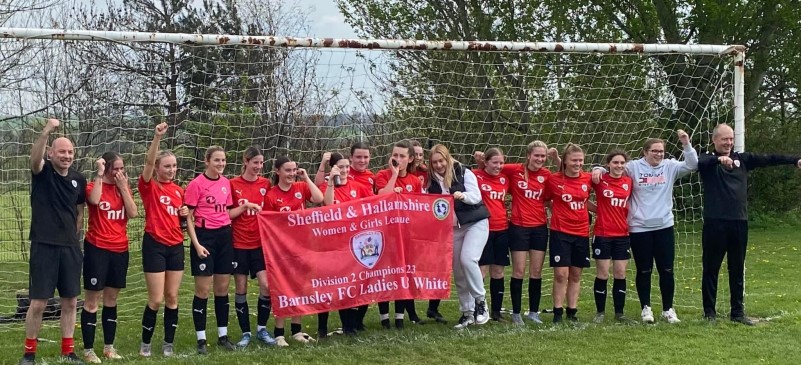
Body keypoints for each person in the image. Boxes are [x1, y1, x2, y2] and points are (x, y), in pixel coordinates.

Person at [697, 123, 801, 324]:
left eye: (731, 139)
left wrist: (795, 159)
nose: (728, 142)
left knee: (737, 268)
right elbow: (701, 161)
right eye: (724, 139)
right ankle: (709, 312)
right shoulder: (708, 161)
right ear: (714, 140)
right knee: (711, 268)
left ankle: (737, 313)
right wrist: (719, 160)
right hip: (715, 223)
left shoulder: (742, 160)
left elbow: (770, 158)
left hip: (739, 222)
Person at [592, 129, 695, 324]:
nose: (658, 154)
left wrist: (686, 144)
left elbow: (692, 164)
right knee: (644, 270)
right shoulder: (633, 167)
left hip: (664, 225)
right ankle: (646, 308)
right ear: (645, 152)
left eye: (661, 151)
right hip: (639, 228)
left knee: (666, 270)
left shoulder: (670, 167)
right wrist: (598, 168)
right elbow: (614, 167)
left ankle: (668, 309)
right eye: (654, 151)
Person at [20, 118, 87, 365]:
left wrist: (74, 235)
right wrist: (47, 131)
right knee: (38, 302)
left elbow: (80, 211)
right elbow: (33, 159)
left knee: (70, 300)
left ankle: (68, 350)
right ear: (51, 153)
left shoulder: (78, 179)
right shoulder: (42, 172)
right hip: (44, 245)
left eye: (70, 152)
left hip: (70, 247)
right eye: (62, 151)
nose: (66, 156)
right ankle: (29, 353)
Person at [80, 152, 138, 363]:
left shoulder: (123, 188)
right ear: (107, 168)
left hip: (120, 249)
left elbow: (133, 213)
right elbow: (94, 200)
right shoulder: (94, 185)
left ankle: (108, 347)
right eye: (116, 168)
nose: (120, 172)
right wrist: (99, 174)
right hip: (97, 248)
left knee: (111, 300)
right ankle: (88, 350)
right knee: (92, 300)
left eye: (122, 168)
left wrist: (123, 188)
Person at [137, 123, 188, 358]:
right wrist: (157, 137)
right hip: (155, 245)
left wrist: (186, 216)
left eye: (174, 166)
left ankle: (168, 344)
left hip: (176, 245)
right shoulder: (150, 186)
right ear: (157, 168)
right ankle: (145, 344)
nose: (172, 170)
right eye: (167, 166)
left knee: (172, 297)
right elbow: (147, 163)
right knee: (156, 299)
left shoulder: (179, 191)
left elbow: (184, 221)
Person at [426, 144, 491, 329]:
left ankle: (481, 302)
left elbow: (476, 197)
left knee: (468, 259)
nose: (439, 165)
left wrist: (462, 196)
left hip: (475, 223)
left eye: (441, 161)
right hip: (452, 229)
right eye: (435, 162)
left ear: (448, 158)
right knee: (459, 271)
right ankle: (467, 312)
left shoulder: (463, 172)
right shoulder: (430, 181)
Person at [497, 141, 559, 325]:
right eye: (537, 155)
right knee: (518, 270)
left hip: (539, 228)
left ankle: (533, 312)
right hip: (518, 227)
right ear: (528, 155)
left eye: (543, 156)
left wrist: (556, 159)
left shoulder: (547, 175)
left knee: (536, 271)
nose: (540, 159)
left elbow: (566, 173)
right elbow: (493, 166)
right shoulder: (514, 170)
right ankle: (516, 313)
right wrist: (480, 160)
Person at [264, 156, 324, 346]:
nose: (291, 174)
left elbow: (319, 198)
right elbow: (268, 224)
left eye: (294, 170)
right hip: (281, 249)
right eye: (287, 170)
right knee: (282, 288)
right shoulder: (271, 195)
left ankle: (297, 331)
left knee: (301, 287)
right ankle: (279, 333)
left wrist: (306, 178)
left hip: (302, 246)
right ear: (277, 172)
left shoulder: (301, 187)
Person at [185, 146, 236, 354]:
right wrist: (197, 245)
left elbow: (228, 211)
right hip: (204, 237)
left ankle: (223, 336)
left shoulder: (226, 183)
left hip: (224, 237)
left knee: (222, 289)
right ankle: (201, 339)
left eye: (223, 160)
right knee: (203, 290)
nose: (221, 164)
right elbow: (188, 217)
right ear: (207, 161)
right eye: (217, 160)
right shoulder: (196, 184)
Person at [317, 152, 374, 337]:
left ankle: (351, 325)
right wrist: (332, 181)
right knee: (329, 285)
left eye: (346, 167)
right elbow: (327, 205)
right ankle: (322, 328)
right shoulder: (327, 185)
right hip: (332, 245)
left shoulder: (358, 186)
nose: (344, 170)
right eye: (340, 167)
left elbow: (374, 206)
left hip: (354, 245)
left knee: (352, 285)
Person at [229, 147, 278, 347]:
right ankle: (245, 333)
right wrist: (245, 207)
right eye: (255, 162)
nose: (259, 167)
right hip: (239, 244)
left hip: (260, 244)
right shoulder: (232, 184)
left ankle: (261, 329)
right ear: (246, 161)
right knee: (241, 287)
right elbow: (227, 215)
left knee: (266, 285)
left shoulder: (266, 184)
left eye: (261, 163)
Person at [374, 140, 424, 328]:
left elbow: (418, 209)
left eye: (402, 156)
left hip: (405, 235)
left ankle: (400, 317)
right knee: (385, 275)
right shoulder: (382, 175)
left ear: (410, 158)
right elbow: (381, 197)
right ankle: (384, 318)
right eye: (395, 155)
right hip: (385, 234)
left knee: (403, 274)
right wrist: (394, 176)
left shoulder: (414, 181)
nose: (397, 159)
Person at [543, 143, 593, 323]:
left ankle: (572, 311)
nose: (578, 163)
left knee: (576, 274)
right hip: (560, 232)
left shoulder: (588, 179)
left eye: (580, 160)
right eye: (574, 160)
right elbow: (546, 199)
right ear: (565, 160)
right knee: (561, 274)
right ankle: (558, 312)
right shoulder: (554, 179)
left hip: (581, 232)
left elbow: (589, 199)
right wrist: (556, 212)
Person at [590, 151, 633, 323]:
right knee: (603, 273)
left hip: (623, 234)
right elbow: (580, 189)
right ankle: (600, 312)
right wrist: (596, 169)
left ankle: (619, 313)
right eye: (615, 162)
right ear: (608, 164)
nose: (619, 166)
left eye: (622, 163)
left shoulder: (629, 182)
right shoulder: (600, 179)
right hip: (602, 234)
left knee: (620, 272)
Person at [472, 148, 510, 322]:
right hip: (482, 228)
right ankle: (476, 309)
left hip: (502, 229)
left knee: (498, 271)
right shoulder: (475, 176)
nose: (499, 166)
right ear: (485, 162)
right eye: (495, 162)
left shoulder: (505, 179)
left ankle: (496, 311)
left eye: (501, 163)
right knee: (481, 270)